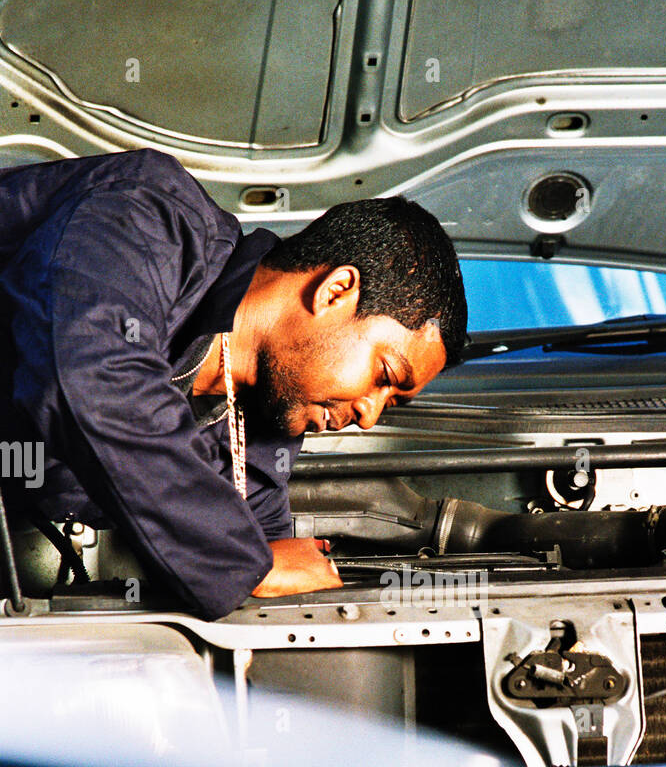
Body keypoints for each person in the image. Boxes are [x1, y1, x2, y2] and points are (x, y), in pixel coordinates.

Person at [0, 147, 467, 617]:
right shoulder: (151, 214)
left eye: (390, 402)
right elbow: (87, 377)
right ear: (336, 291)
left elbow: (263, 545)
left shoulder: (255, 429)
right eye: (384, 377)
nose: (369, 415)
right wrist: (248, 566)